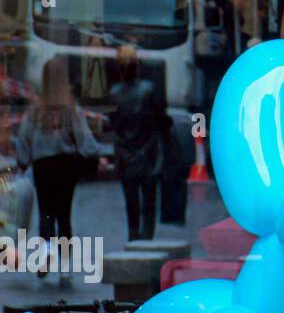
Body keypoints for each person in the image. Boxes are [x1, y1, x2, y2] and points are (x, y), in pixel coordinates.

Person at [14, 56, 97, 250]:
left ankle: (44, 257)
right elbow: (84, 137)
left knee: (46, 213)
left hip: (43, 167)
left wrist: (23, 160)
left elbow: (24, 138)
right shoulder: (71, 108)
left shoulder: (35, 110)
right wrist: (92, 153)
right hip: (67, 166)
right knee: (64, 215)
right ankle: (65, 263)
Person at [108, 45, 168, 241]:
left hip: (126, 153)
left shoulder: (115, 93)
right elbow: (160, 120)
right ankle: (146, 239)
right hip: (148, 150)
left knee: (131, 201)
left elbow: (113, 125)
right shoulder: (148, 90)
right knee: (148, 202)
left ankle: (133, 238)